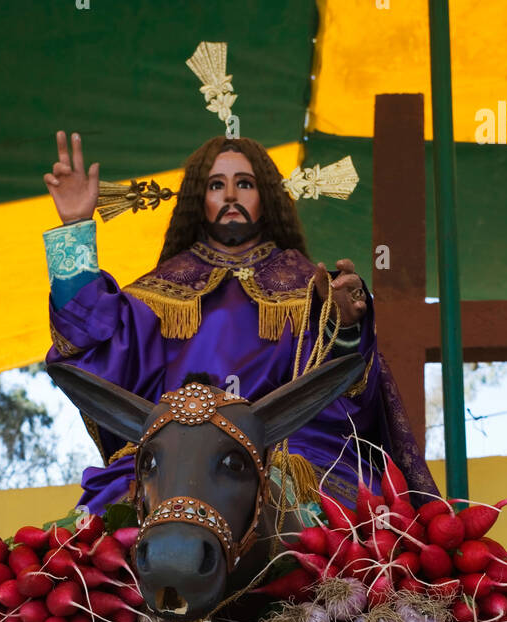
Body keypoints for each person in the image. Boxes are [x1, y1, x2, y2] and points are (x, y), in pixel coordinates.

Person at [41, 131, 439, 512]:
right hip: (176, 455)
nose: (230, 195)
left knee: (335, 518)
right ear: (200, 199)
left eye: (244, 183)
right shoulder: (158, 297)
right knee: (107, 516)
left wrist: (347, 328)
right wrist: (75, 229)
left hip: (291, 453)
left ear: (267, 196)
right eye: (216, 186)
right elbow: (89, 339)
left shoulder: (313, 290)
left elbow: (346, 397)